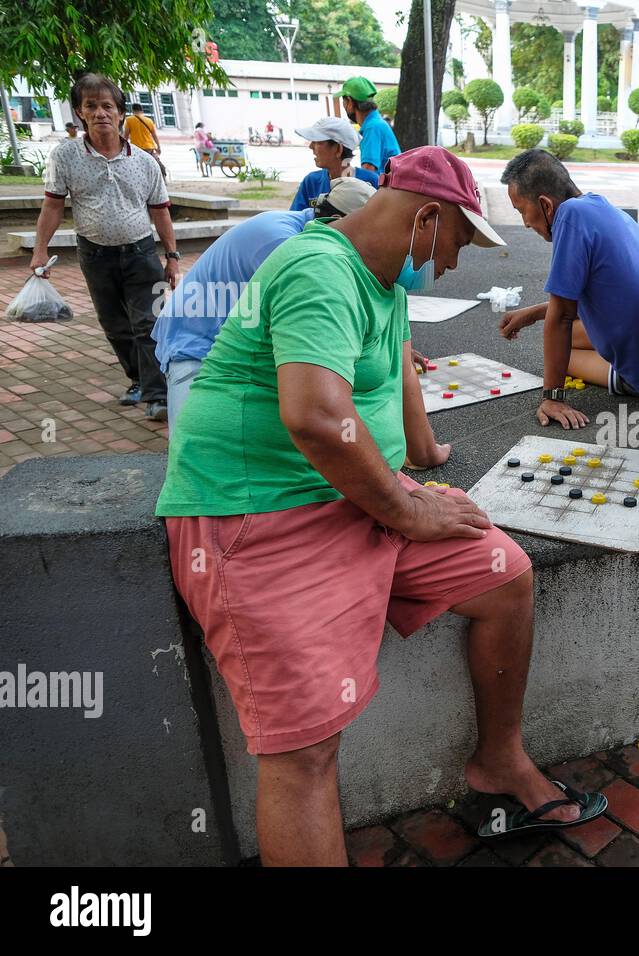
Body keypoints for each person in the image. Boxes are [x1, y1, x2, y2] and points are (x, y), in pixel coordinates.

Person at [156, 146, 607, 866]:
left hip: (361, 500)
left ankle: (498, 759)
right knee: (305, 753)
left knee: (505, 575)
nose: (453, 265)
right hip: (258, 519)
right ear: (426, 217)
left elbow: (393, 399)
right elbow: (313, 414)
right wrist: (407, 511)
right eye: (456, 243)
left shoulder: (386, 287)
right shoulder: (317, 266)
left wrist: (420, 476)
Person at [498, 149, 639, 427]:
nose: (524, 222)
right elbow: (608, 296)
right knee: (559, 338)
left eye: (522, 210)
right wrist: (534, 313)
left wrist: (552, 396)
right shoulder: (600, 207)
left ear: (546, 205)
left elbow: (561, 317)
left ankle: (631, 376)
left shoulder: (568, 217)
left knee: (559, 351)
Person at [153, 178, 378, 421]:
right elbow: (309, 328)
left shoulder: (301, 230)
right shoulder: (285, 244)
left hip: (227, 345)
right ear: (338, 221)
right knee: (192, 446)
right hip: (195, 346)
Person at [31, 73, 178, 422]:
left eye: (107, 106)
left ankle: (158, 396)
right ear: (80, 113)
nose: (100, 113)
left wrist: (171, 257)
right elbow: (52, 206)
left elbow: (161, 212)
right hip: (95, 255)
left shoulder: (144, 162)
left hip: (141, 255)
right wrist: (40, 250)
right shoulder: (65, 157)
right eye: (91, 106)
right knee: (114, 325)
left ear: (120, 112)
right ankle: (138, 380)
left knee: (149, 322)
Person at [289, 116, 380, 212]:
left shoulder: (372, 181)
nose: (311, 146)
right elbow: (294, 219)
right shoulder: (311, 182)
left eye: (317, 142)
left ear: (338, 149)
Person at [340, 76, 400, 174]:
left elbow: (368, 170)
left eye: (343, 101)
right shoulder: (377, 123)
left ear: (350, 102)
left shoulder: (372, 128)